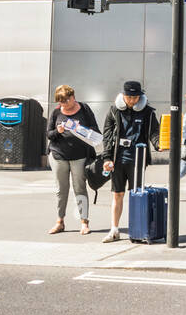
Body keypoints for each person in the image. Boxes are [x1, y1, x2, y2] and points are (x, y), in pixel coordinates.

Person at [99, 80, 162, 242]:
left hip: (138, 159)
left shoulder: (147, 112)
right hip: (118, 158)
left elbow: (154, 132)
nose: (132, 100)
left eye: (135, 97)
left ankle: (139, 229)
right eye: (129, 97)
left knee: (137, 195)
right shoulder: (114, 110)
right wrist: (107, 157)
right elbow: (107, 135)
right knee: (117, 194)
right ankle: (114, 230)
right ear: (123, 95)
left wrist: (158, 144)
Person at [45, 84, 99, 235]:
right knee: (61, 190)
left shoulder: (85, 109)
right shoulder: (56, 112)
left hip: (80, 155)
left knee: (79, 188)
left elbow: (96, 131)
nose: (64, 105)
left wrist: (82, 130)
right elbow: (49, 134)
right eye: (61, 102)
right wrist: (58, 131)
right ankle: (59, 221)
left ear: (73, 97)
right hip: (58, 155)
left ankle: (84, 222)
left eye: (67, 101)